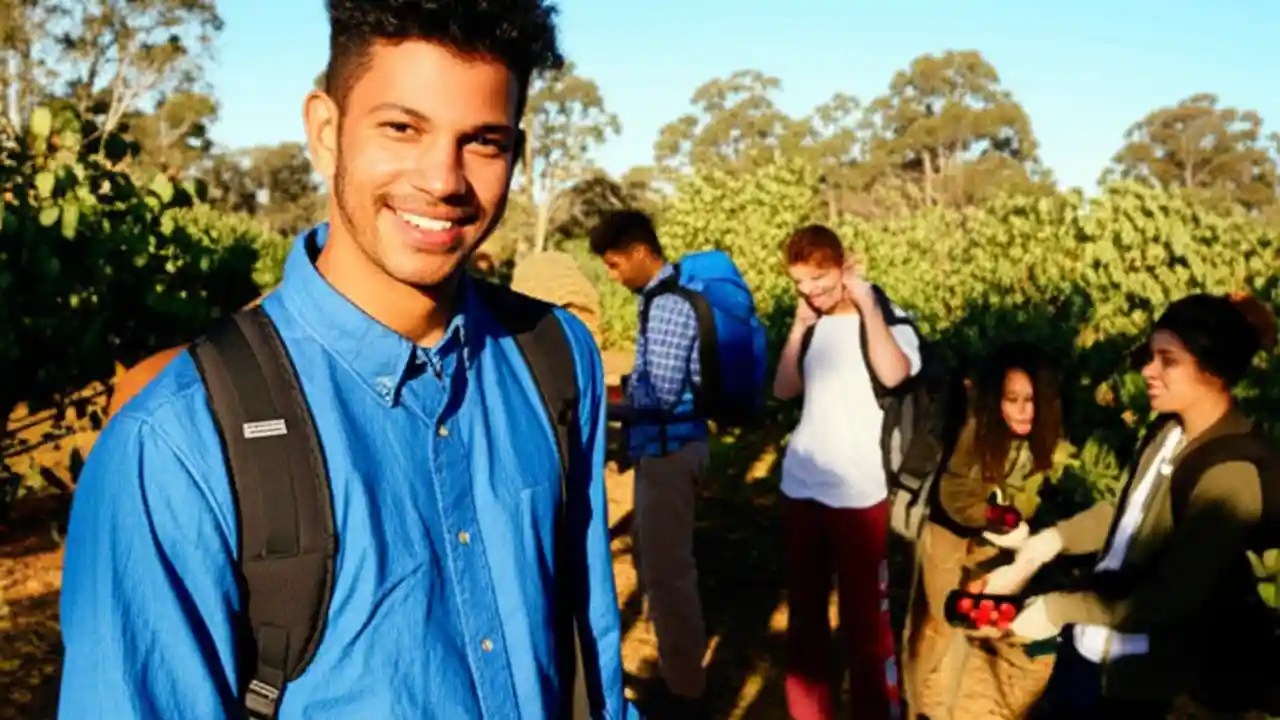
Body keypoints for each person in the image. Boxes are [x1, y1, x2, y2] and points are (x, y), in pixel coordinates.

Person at [58, 2, 635, 718]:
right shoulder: (176, 443)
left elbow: (591, 658)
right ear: (326, 132)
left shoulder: (552, 358)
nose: (444, 180)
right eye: (402, 127)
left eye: (482, 141)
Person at [988, 292, 1278, 718]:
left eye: (1168, 360)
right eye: (1151, 355)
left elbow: (1168, 599)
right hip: (1093, 653)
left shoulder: (1230, 475)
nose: (1148, 370)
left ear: (1212, 370)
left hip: (1144, 683)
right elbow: (1130, 512)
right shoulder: (1170, 432)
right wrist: (1050, 542)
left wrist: (1059, 608)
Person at [771, 224, 921, 720]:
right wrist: (797, 328)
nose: (812, 290)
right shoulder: (810, 323)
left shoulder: (887, 317)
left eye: (821, 277)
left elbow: (895, 373)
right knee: (805, 622)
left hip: (860, 493)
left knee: (866, 629)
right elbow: (784, 390)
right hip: (802, 487)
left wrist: (867, 305)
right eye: (801, 282)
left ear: (845, 265)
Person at [903, 342, 1073, 719]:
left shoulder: (1041, 439)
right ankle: (920, 708)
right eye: (1012, 399)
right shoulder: (976, 430)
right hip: (949, 535)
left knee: (983, 625)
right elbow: (955, 494)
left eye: (1030, 399)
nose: (1023, 408)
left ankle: (966, 702)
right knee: (941, 625)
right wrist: (995, 518)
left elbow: (1030, 495)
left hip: (990, 543)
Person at [589, 209, 709, 716]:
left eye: (616, 265)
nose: (613, 278)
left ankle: (685, 691)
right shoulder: (660, 300)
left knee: (667, 573)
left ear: (641, 252)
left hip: (669, 452)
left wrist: (605, 408)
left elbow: (659, 396)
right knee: (658, 562)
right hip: (667, 448)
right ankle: (681, 676)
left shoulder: (665, 306)